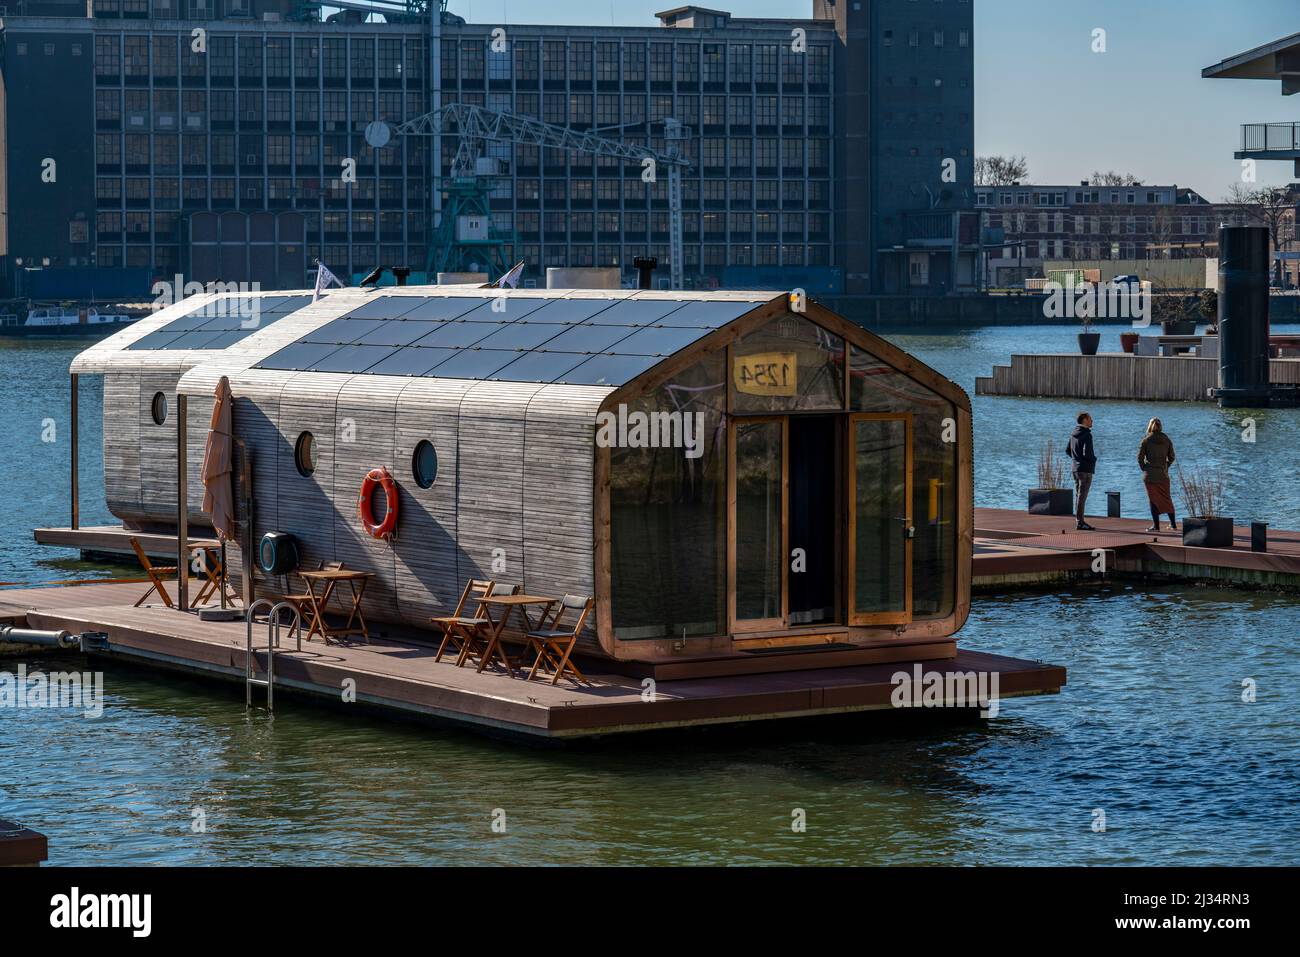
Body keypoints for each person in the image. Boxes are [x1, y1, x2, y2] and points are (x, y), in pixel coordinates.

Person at [1138, 418, 1177, 532]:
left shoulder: (1146, 440)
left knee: (1153, 500)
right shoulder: (1166, 439)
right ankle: (1173, 525)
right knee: (1167, 498)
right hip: (1163, 475)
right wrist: (1166, 466)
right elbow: (1172, 457)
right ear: (1160, 426)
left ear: (1150, 426)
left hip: (1150, 475)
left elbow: (1139, 458)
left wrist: (1145, 468)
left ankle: (1156, 526)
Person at [1067, 412, 1097, 531]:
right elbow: (1087, 453)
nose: (1092, 421)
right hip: (1085, 470)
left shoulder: (1073, 433)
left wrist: (1077, 460)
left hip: (1075, 469)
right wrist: (1093, 459)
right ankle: (1080, 522)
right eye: (1090, 419)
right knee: (1082, 496)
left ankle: (1079, 520)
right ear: (1084, 420)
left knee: (1078, 495)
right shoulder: (1087, 435)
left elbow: (1068, 450)